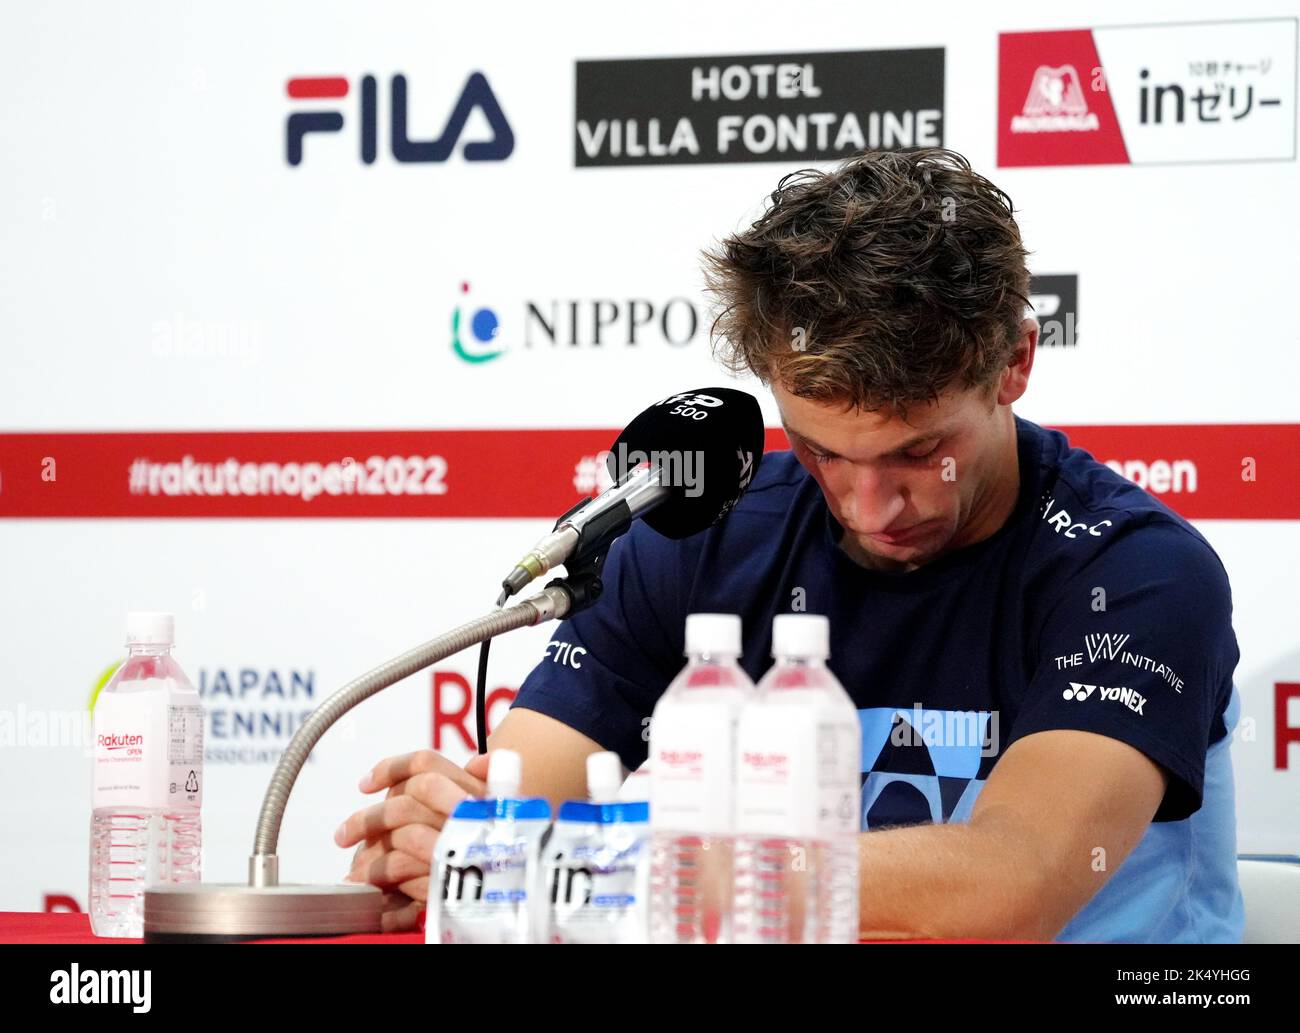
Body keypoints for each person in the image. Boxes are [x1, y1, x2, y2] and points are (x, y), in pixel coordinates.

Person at [335, 148, 1244, 942]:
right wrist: (461, 838)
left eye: (920, 453)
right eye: (819, 452)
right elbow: (534, 802)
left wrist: (623, 866)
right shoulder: (700, 539)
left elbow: (1013, 882)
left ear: (1014, 362)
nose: (868, 506)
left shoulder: (1136, 573)